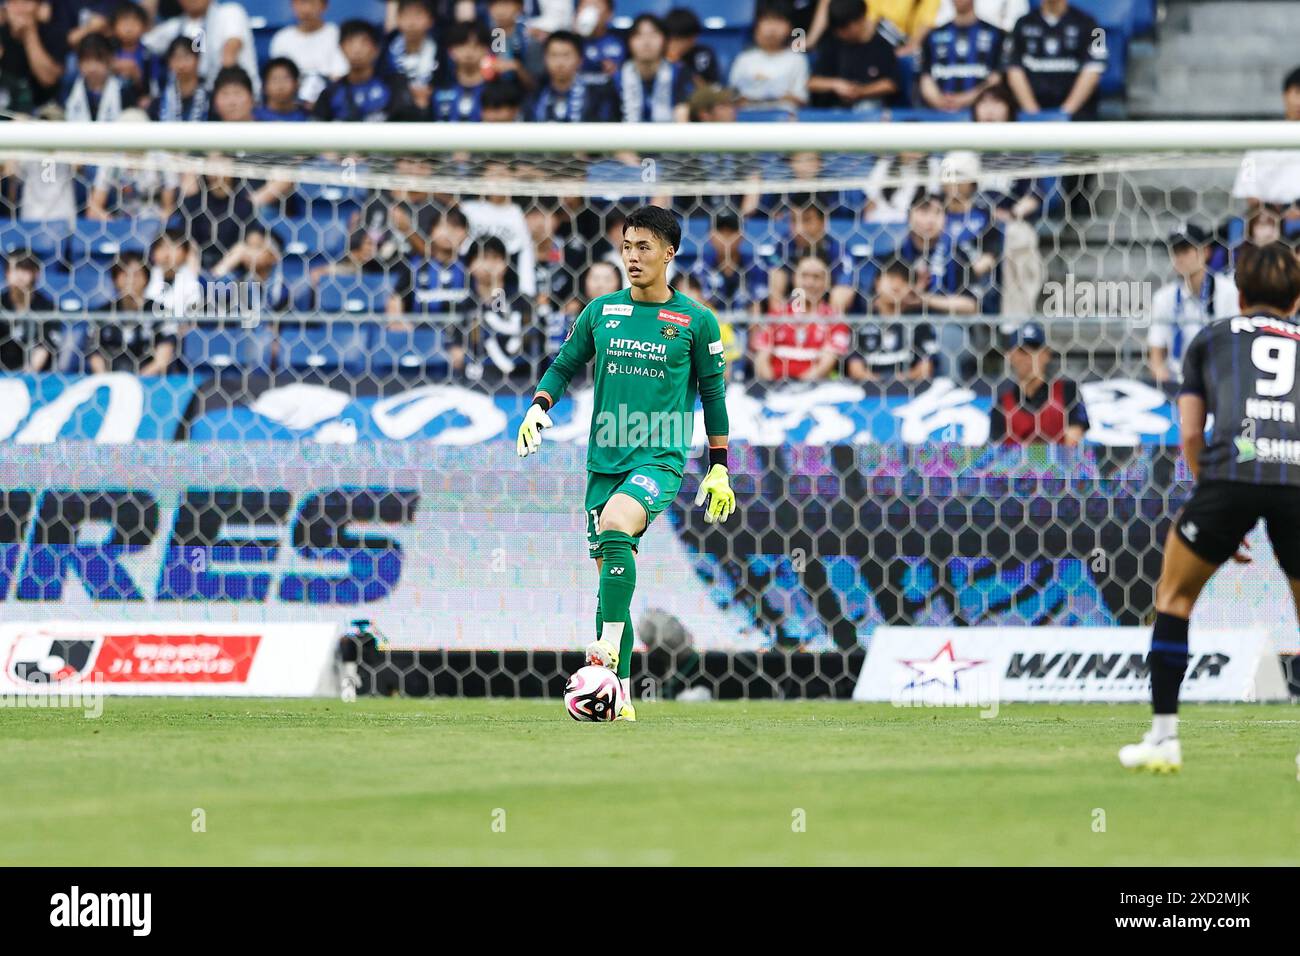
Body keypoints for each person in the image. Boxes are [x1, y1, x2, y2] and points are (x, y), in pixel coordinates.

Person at [515, 205, 735, 722]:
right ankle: (622, 698)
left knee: (618, 522)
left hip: (658, 458)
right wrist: (538, 405)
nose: (633, 257)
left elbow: (714, 395)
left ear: (669, 253)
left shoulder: (696, 321)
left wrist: (719, 465)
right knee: (609, 575)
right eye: (627, 246)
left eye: (644, 248)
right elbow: (564, 364)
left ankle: (604, 650)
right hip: (604, 460)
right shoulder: (601, 312)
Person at [1119, 242, 1300, 774]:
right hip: (1297, 476)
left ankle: (1164, 739)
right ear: (1296, 300)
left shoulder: (1212, 337)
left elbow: (1192, 433)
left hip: (1229, 476)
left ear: (1239, 295)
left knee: (1174, 598)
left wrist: (1214, 497)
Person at [1147, 224, 1240, 388]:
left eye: (1185, 250)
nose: (1179, 258)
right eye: (1175, 252)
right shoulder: (1164, 297)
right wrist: (1162, 377)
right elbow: (1156, 353)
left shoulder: (1228, 292)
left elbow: (1236, 345)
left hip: (1219, 381)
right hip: (1176, 384)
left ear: (1205, 252)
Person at [751, 255, 853, 383]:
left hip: (814, 389)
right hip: (775, 389)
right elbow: (761, 359)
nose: (809, 283)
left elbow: (826, 364)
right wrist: (773, 386)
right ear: (794, 279)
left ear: (827, 282)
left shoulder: (835, 320)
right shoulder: (777, 315)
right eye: (804, 276)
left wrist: (798, 388)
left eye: (816, 277)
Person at [989, 320, 1089, 445]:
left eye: (1035, 350)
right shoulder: (1002, 404)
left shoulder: (1068, 392)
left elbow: (1071, 450)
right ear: (1010, 356)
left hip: (1059, 464)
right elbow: (998, 454)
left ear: (1046, 354)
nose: (1029, 357)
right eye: (1022, 351)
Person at [1003, 0, 1106, 119]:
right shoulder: (1021, 24)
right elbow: (1013, 69)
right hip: (1031, 115)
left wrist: (1064, 113)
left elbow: (1094, 68)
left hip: (1077, 115)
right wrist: (1034, 114)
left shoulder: (1090, 23)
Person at [844, 259, 936, 385]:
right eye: (891, 278)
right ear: (877, 282)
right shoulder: (861, 321)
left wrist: (901, 380)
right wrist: (879, 381)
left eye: (904, 280)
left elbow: (926, 368)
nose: (897, 285)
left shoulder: (918, 321)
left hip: (910, 390)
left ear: (911, 288)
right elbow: (855, 369)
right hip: (868, 391)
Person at [143, 0, 259, 97]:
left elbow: (229, 56)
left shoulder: (229, 12)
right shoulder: (176, 26)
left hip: (234, 96)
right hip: (198, 102)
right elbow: (140, 40)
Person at [808, 0, 899, 111]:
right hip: (835, 109)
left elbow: (891, 84)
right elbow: (812, 82)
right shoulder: (833, 43)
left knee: (867, 106)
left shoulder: (881, 45)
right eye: (838, 30)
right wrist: (835, 85)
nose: (841, 34)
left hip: (870, 107)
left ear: (860, 20)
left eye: (845, 28)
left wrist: (861, 91)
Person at [918, 0, 1003, 113]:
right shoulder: (933, 36)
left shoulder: (995, 34)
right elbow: (925, 77)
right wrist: (939, 101)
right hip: (939, 114)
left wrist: (966, 99)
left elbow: (997, 78)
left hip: (980, 114)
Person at [728, 2, 810, 110]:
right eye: (767, 20)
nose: (772, 28)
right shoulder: (744, 59)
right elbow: (733, 97)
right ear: (757, 25)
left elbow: (800, 99)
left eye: (779, 21)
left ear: (790, 27)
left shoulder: (797, 60)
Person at [527, 31, 619, 122]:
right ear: (544, 59)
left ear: (580, 60)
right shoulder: (535, 93)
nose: (560, 63)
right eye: (554, 55)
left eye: (566, 56)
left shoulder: (597, 94)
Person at [270, 0, 348, 106]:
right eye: (301, 3)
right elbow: (278, 78)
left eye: (312, 3)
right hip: (292, 106)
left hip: (330, 104)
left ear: (325, 6)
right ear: (292, 5)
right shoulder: (281, 38)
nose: (306, 9)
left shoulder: (337, 34)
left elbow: (340, 76)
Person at [618, 14, 693, 123]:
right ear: (630, 41)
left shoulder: (680, 73)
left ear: (665, 41)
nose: (646, 42)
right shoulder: (617, 77)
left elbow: (683, 113)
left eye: (653, 35)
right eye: (639, 35)